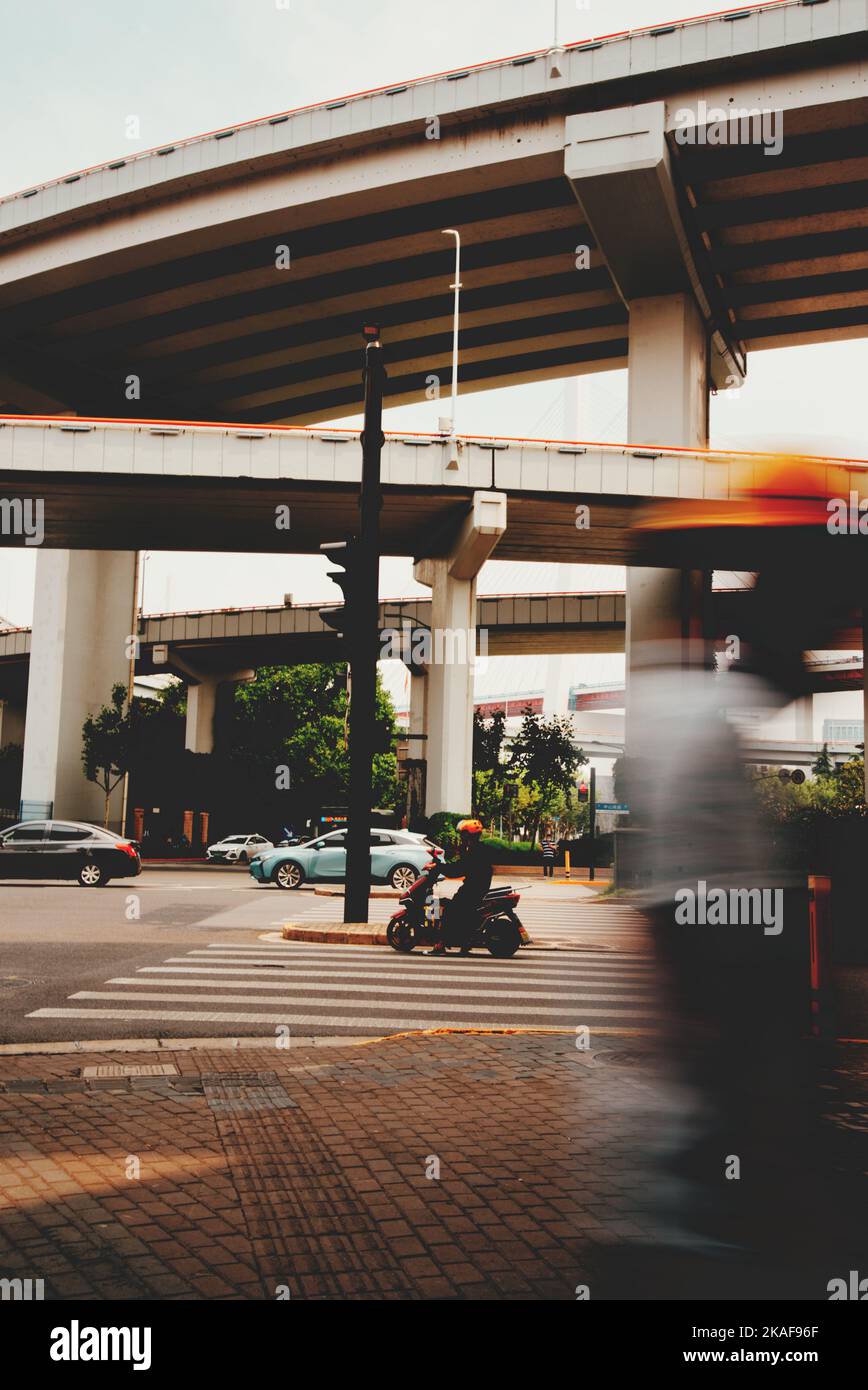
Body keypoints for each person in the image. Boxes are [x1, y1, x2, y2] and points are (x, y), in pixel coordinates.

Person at [426, 819, 493, 956]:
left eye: (463, 834)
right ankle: (464, 942)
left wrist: (439, 867)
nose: (461, 837)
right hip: (476, 887)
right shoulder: (476, 848)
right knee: (457, 908)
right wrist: (440, 865)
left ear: (469, 835)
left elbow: (458, 869)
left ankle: (440, 945)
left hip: (473, 889)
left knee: (451, 910)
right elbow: (459, 866)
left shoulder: (475, 851)